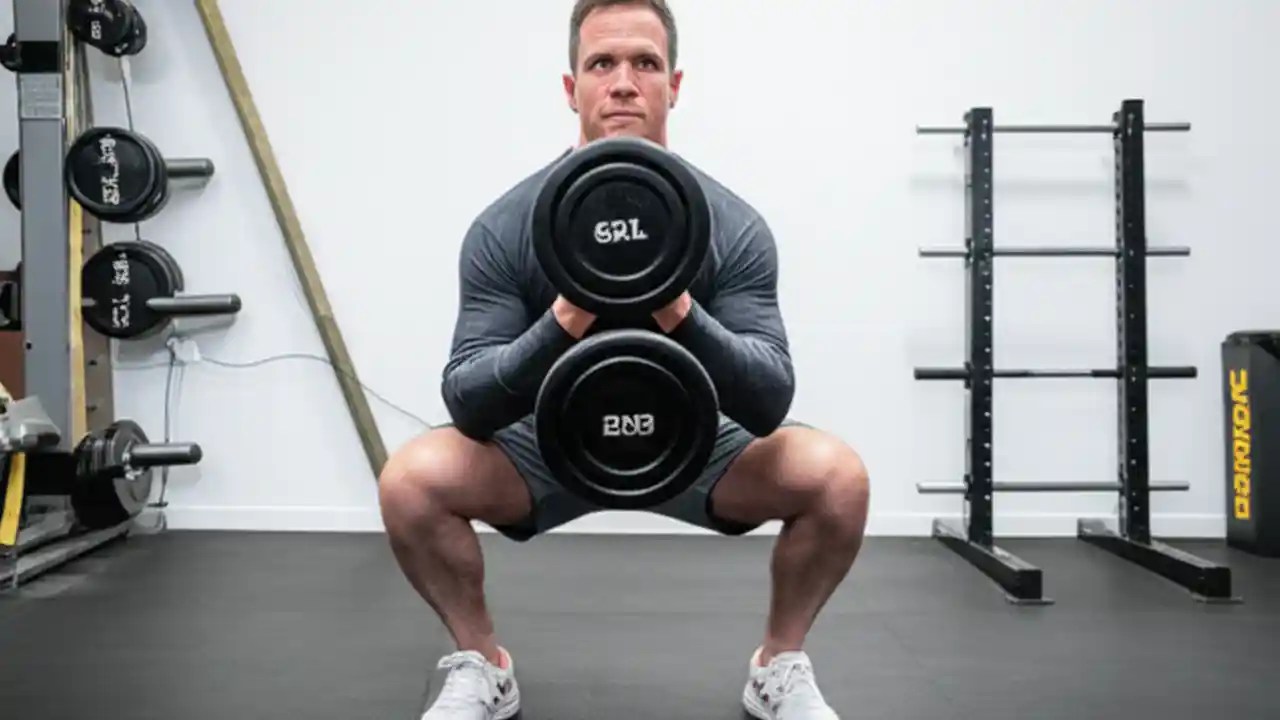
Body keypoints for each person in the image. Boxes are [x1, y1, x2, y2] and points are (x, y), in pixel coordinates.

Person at [377, 1, 871, 718]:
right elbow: (470, 400)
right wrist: (566, 314)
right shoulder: (507, 226)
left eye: (643, 63)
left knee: (837, 478)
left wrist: (676, 305)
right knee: (410, 480)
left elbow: (767, 399)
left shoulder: (731, 227)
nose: (622, 82)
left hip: (700, 445)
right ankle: (484, 665)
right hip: (545, 446)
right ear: (570, 87)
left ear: (674, 84)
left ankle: (779, 664)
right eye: (601, 63)